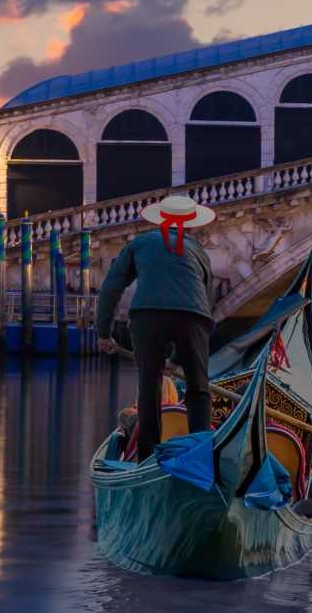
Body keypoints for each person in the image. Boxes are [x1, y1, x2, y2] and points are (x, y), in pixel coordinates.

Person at [96, 194, 217, 458]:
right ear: (192, 224)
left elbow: (111, 289)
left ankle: (147, 457)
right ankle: (199, 456)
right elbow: (208, 303)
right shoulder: (199, 251)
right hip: (194, 317)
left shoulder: (139, 243)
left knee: (149, 386)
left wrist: (103, 333)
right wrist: (178, 359)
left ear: (160, 219)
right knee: (199, 388)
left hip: (147, 317)